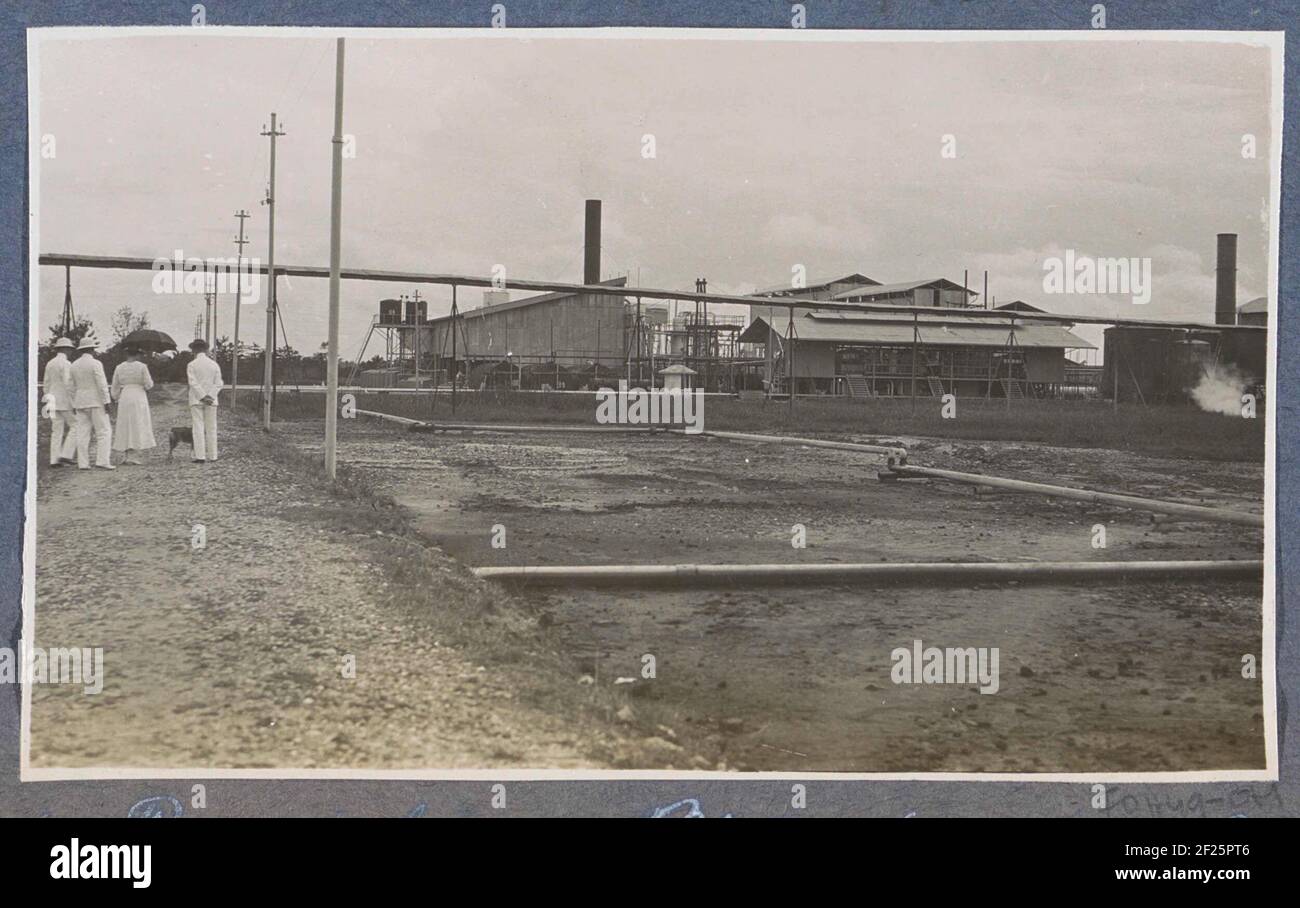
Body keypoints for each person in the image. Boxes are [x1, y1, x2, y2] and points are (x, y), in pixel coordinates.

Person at [69, 336, 114, 470]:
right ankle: (102, 461)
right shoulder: (96, 364)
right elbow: (102, 384)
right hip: (96, 401)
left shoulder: (74, 365)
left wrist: (74, 402)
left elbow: (70, 387)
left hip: (80, 401)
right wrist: (107, 401)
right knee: (104, 431)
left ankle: (83, 463)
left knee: (82, 433)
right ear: (92, 349)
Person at [110, 346, 156, 465]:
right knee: (137, 423)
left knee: (125, 424)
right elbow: (149, 384)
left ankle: (127, 455)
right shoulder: (142, 366)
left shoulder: (119, 367)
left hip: (125, 395)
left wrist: (115, 397)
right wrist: (145, 387)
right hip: (138, 395)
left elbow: (115, 385)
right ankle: (133, 455)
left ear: (127, 354)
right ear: (137, 355)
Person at [186, 338, 223, 463]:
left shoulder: (191, 364)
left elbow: (192, 383)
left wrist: (202, 396)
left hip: (196, 400)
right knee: (211, 427)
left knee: (198, 427)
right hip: (211, 401)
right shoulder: (214, 364)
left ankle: (200, 456)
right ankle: (213, 456)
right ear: (206, 349)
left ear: (194, 350)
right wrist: (210, 396)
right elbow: (219, 383)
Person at [43, 337, 78, 467]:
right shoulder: (67, 364)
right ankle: (66, 454)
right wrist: (74, 402)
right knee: (76, 425)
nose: (71, 351)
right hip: (64, 400)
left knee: (56, 430)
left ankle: (54, 460)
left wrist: (47, 399)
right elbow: (68, 384)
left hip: (52, 400)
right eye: (70, 349)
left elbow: (46, 384)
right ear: (65, 349)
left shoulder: (50, 363)